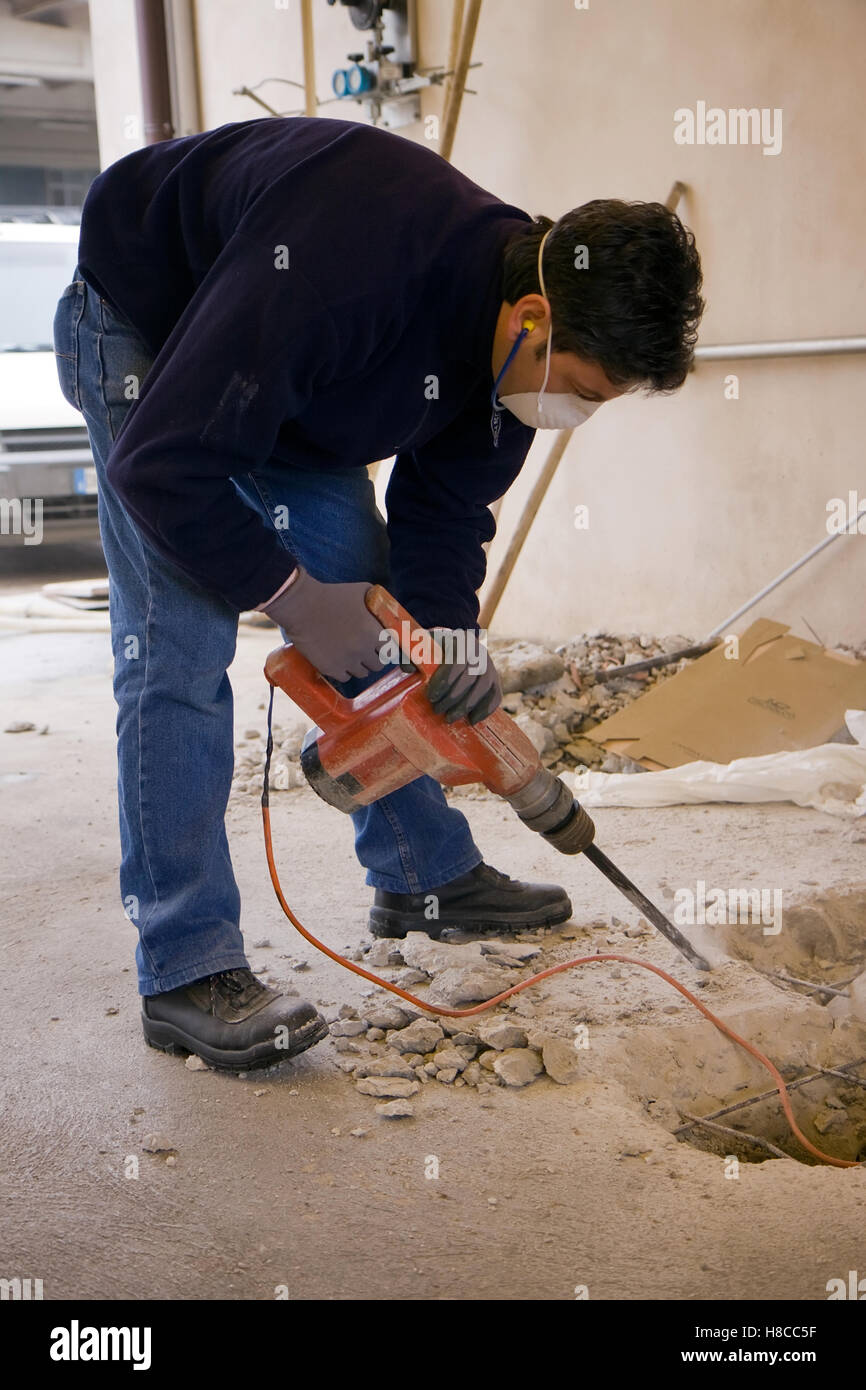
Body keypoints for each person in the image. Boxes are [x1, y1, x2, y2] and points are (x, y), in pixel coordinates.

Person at [53, 115, 703, 1072]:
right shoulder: (344, 269)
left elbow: (445, 505)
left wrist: (449, 637)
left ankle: (422, 878)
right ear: (533, 317)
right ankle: (186, 965)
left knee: (385, 634)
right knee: (178, 650)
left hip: (291, 390)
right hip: (150, 334)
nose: (575, 413)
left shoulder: (514, 349)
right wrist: (289, 592)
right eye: (586, 390)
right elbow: (168, 463)